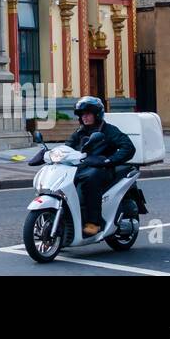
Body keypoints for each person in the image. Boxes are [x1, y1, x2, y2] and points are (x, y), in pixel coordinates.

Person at [66, 96, 135, 237]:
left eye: (88, 113)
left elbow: (128, 147)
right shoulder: (80, 132)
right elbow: (67, 147)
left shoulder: (109, 130)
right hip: (83, 167)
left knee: (90, 180)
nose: (84, 117)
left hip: (103, 169)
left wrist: (109, 160)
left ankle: (94, 223)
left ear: (97, 114)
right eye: (82, 114)